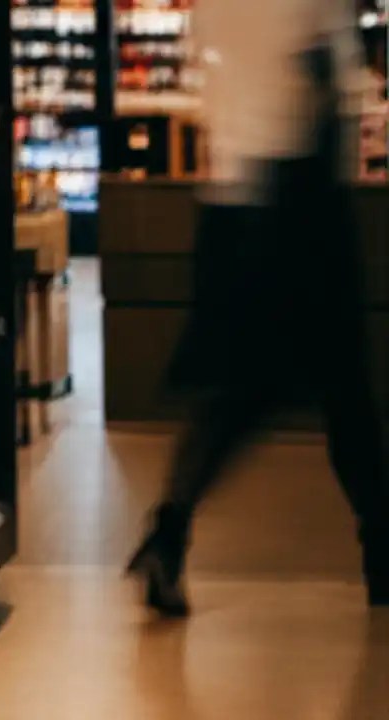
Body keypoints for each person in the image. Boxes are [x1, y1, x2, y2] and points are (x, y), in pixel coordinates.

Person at [126, 0, 389, 616]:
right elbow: (322, 72)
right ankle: (380, 547)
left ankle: (169, 530)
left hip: (231, 194)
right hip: (298, 196)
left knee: (246, 389)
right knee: (340, 381)